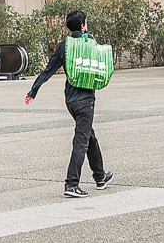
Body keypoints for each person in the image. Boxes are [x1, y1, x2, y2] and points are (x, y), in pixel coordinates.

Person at [25, 10, 114, 198]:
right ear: (83, 25)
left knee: (89, 136)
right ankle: (71, 184)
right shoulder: (89, 42)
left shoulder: (63, 46)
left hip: (71, 100)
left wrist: (33, 90)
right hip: (85, 100)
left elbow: (48, 70)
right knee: (81, 141)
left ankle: (100, 176)